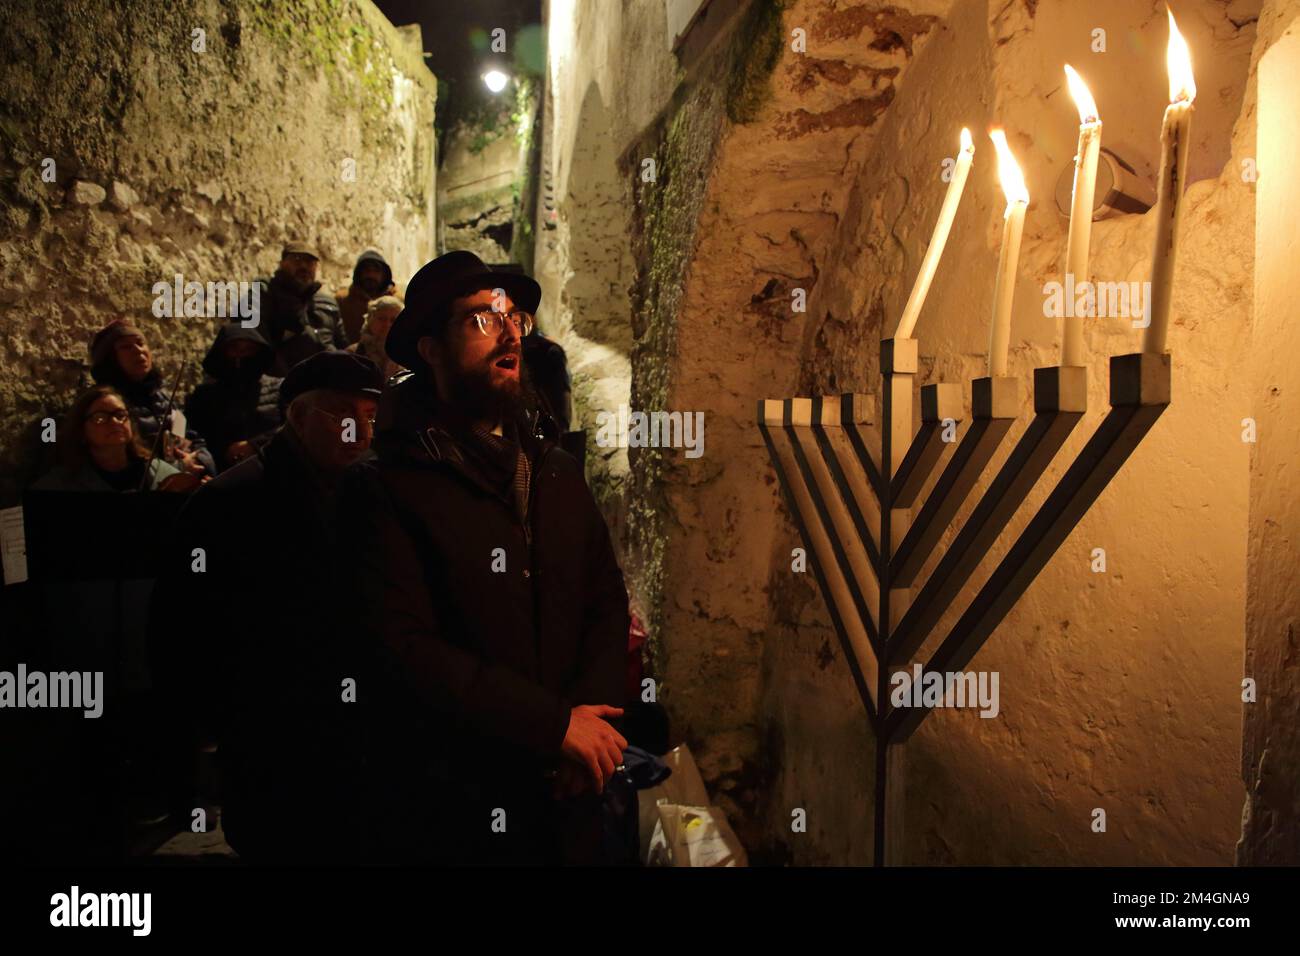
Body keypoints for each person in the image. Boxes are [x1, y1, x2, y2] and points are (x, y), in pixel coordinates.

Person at [338, 250, 631, 865]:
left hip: (569, 792)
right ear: (431, 349)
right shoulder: (386, 486)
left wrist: (591, 731)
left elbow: (604, 601)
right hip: (453, 805)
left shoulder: (554, 469)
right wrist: (553, 727)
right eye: (479, 319)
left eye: (514, 317)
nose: (507, 331)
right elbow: (404, 648)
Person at [151, 352, 382, 863]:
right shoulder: (228, 504)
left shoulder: (369, 491)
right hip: (269, 735)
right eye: (347, 416)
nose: (361, 432)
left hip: (357, 733)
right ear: (298, 417)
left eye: (370, 417)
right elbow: (181, 625)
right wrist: (204, 726)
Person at [89, 320, 216, 477]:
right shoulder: (107, 404)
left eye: (140, 343)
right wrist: (178, 468)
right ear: (110, 359)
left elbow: (190, 437)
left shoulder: (162, 397)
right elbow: (120, 464)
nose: (138, 351)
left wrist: (201, 462)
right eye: (126, 347)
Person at [185, 323, 283, 472]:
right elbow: (195, 436)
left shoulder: (281, 388)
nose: (241, 355)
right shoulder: (204, 396)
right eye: (234, 348)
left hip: (272, 471)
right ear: (223, 352)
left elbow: (294, 428)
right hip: (221, 475)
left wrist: (254, 446)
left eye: (248, 349)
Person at [253, 242, 346, 375]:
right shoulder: (263, 292)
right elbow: (253, 342)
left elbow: (342, 344)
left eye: (309, 262)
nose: (303, 266)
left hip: (326, 382)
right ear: (282, 263)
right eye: (296, 260)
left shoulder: (328, 303)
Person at [334, 248, 401, 347]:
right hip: (352, 358)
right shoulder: (343, 300)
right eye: (366, 270)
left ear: (384, 275)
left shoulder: (398, 301)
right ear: (358, 274)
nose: (371, 275)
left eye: (376, 271)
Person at [345, 294, 405, 382]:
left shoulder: (406, 355)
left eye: (393, 320)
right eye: (382, 318)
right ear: (370, 320)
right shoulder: (353, 354)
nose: (387, 325)